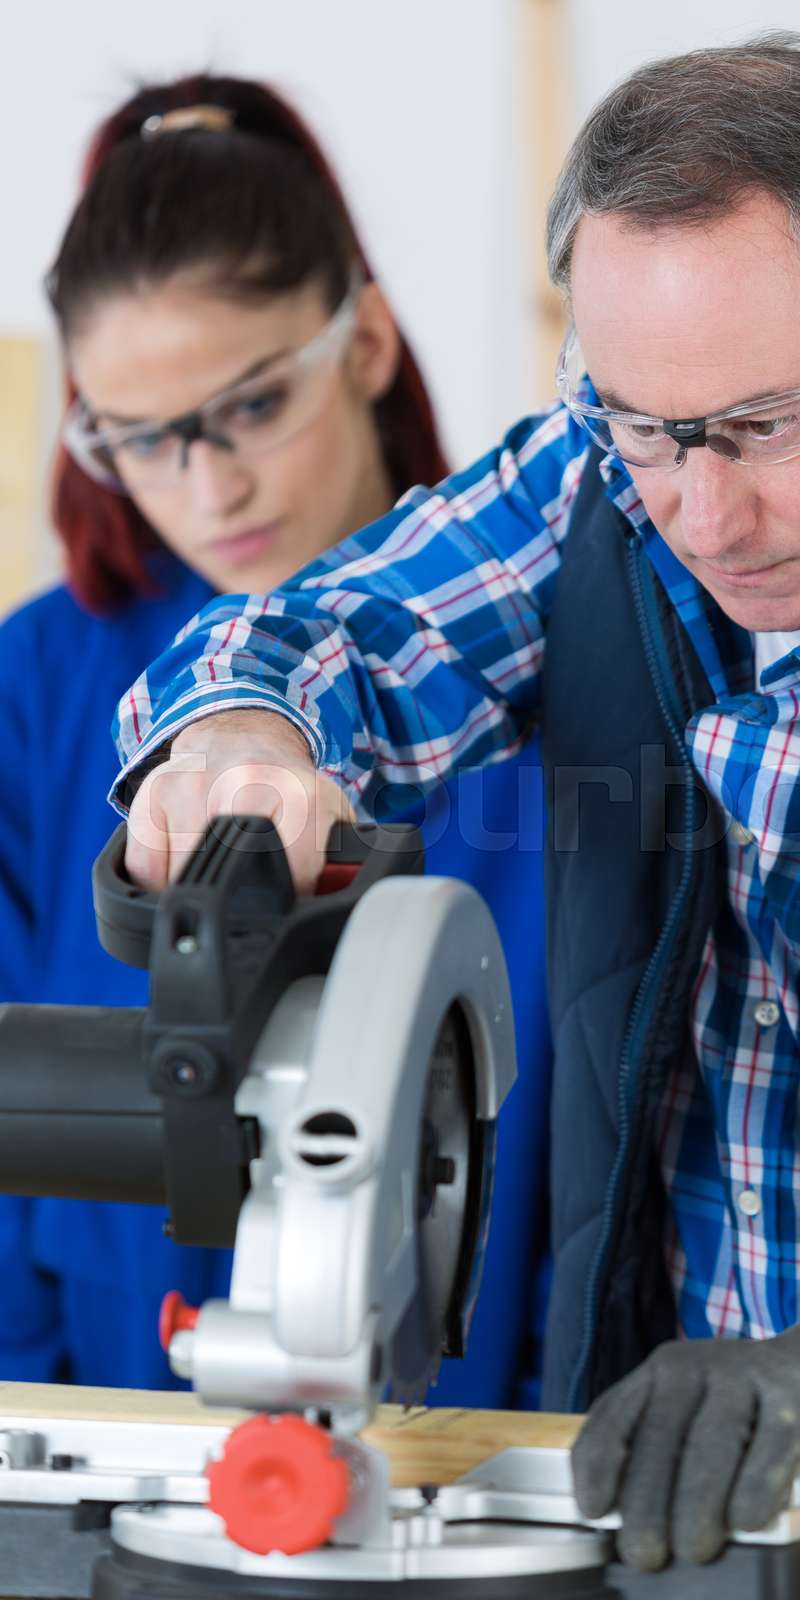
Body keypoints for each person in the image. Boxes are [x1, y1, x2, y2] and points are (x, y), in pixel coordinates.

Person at [98, 33, 800, 1596]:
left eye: (760, 428)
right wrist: (242, 734)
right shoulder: (605, 484)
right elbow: (317, 633)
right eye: (642, 422)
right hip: (652, 1516)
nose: (699, 514)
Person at [0, 73, 551, 1406]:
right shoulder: (44, 675)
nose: (211, 483)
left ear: (363, 339)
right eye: (141, 439)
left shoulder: (548, 654)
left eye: (250, 407)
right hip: (123, 1427)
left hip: (492, 1444)